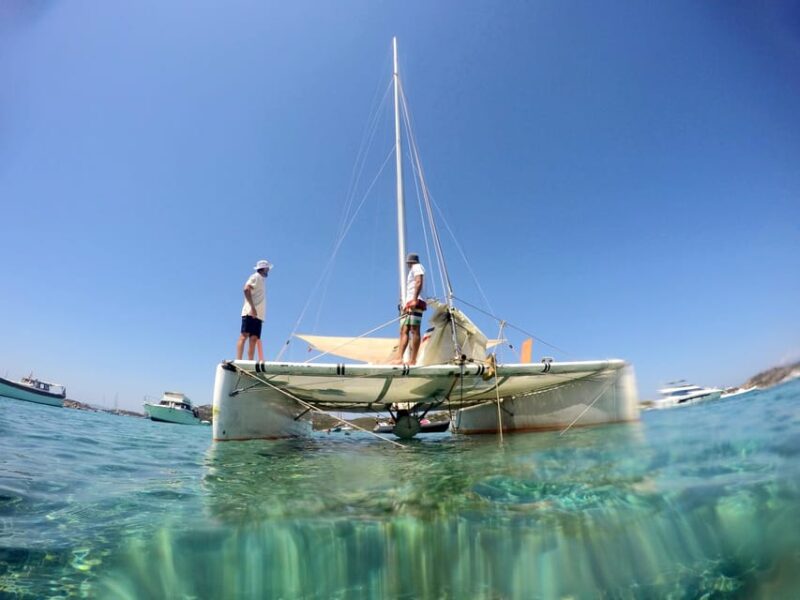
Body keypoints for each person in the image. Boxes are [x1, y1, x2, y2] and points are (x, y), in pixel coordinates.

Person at [394, 252, 426, 365]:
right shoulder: (412, 270)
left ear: (410, 262)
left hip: (416, 302)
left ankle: (413, 360)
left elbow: (419, 282)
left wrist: (414, 299)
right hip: (409, 304)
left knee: (414, 330)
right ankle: (399, 358)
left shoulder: (417, 267)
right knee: (404, 330)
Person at [236, 259, 272, 360]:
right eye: (267, 268)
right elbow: (246, 289)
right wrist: (252, 308)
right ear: (264, 268)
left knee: (253, 339)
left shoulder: (261, 279)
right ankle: (239, 360)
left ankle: (250, 362)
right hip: (250, 312)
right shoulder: (255, 277)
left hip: (258, 315)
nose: (268, 270)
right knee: (244, 336)